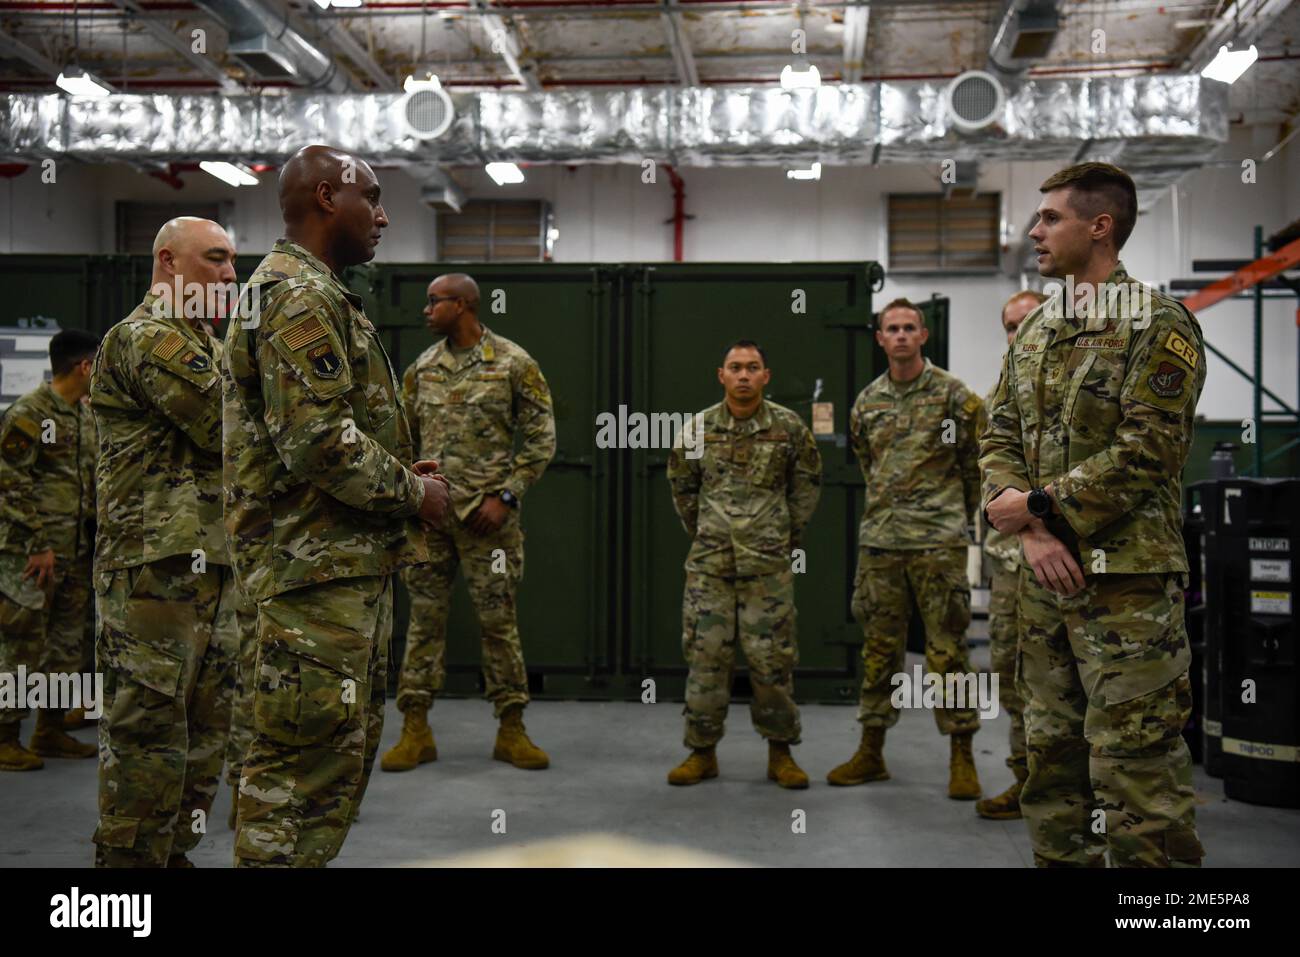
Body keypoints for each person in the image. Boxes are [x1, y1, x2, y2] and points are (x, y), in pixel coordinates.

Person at [222, 144, 449, 867]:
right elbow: (318, 443)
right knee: (292, 784)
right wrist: (417, 492)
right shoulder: (299, 295)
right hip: (309, 591)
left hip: (330, 580)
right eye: (373, 199)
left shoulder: (313, 290)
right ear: (327, 198)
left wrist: (394, 467)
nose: (382, 217)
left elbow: (322, 434)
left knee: (325, 781)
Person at [982, 162, 1206, 867]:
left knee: (1137, 773)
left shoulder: (1159, 323)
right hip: (1045, 583)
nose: (1036, 231)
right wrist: (1037, 531)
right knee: (1053, 768)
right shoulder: (1041, 330)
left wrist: (1042, 504)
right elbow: (998, 439)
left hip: (1127, 592)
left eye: (1051, 218)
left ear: (1100, 226)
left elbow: (1148, 451)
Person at [90, 217, 241, 867]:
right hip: (154, 567)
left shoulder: (204, 341)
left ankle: (171, 853)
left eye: (234, 261)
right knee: (149, 733)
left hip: (210, 564)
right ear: (168, 263)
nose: (231, 274)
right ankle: (125, 871)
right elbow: (224, 427)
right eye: (215, 260)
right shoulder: (148, 337)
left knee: (207, 731)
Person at [383, 272, 555, 773]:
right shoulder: (422, 370)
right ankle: (415, 729)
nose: (425, 310)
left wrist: (507, 496)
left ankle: (511, 729)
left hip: (489, 523)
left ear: (463, 305)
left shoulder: (513, 364)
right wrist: (414, 494)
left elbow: (542, 440)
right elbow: (404, 441)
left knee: (498, 625)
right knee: (424, 624)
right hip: (432, 521)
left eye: (434, 302)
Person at [828, 298, 983, 799]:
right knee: (878, 651)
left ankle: (962, 754)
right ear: (879, 338)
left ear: (923, 335)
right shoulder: (866, 402)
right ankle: (871, 751)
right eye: (890, 328)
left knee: (947, 651)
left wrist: (951, 516)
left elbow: (975, 465)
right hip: (881, 542)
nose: (899, 336)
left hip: (938, 542)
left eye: (908, 328)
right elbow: (867, 463)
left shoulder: (955, 397)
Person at [665, 340, 821, 789]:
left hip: (767, 568)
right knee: (705, 661)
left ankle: (781, 753)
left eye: (753, 367)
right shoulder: (696, 430)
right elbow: (683, 488)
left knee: (772, 663)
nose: (744, 375)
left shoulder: (788, 428)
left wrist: (783, 534)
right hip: (710, 565)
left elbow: (807, 484)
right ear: (721, 375)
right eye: (736, 367)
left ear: (766, 376)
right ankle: (701, 752)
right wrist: (708, 530)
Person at [0, 329, 100, 770]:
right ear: (84, 366)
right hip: (32, 557)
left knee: (65, 647)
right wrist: (38, 545)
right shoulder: (30, 413)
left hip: (74, 553)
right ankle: (5, 735)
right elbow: (9, 483)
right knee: (21, 646)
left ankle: (50, 730)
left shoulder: (83, 415)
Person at [974, 290, 1044, 820]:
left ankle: (1080, 789)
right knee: (1011, 670)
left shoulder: (1085, 379)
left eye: (1031, 321)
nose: (1020, 334)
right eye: (1011, 326)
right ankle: (1028, 780)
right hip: (1010, 559)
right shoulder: (1000, 392)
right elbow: (990, 468)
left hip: (1072, 559)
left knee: (1065, 678)